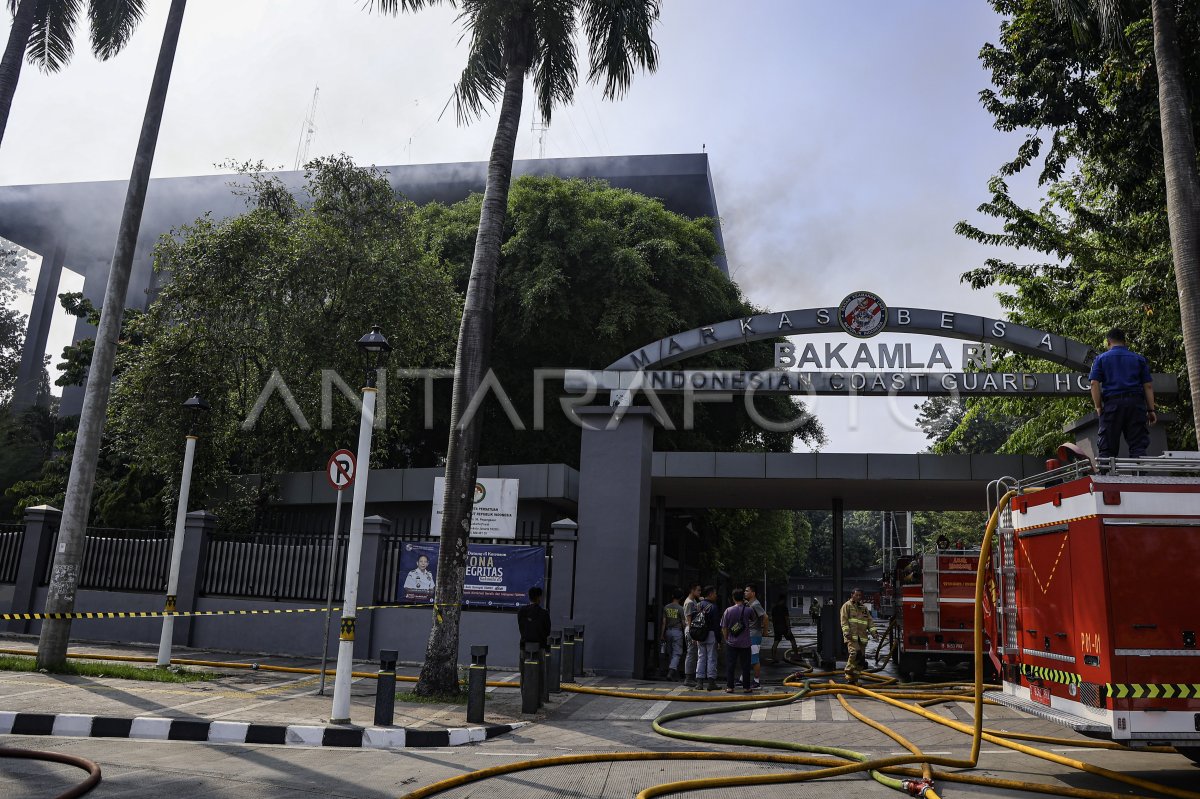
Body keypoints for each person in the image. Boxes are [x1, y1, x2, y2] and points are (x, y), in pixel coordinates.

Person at [1089, 328, 1157, 457]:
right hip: (1135, 405)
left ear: (1108, 342)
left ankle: (1107, 476)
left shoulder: (1101, 359)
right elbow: (1148, 386)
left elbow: (1094, 383)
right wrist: (1151, 410)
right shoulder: (1139, 359)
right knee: (1138, 446)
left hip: (1112, 405)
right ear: (1125, 342)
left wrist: (1098, 406)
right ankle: (1140, 476)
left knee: (1107, 447)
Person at [840, 588, 876, 685]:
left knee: (861, 660)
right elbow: (844, 621)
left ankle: (854, 678)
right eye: (857, 595)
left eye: (860, 595)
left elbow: (869, 621)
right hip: (851, 637)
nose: (858, 597)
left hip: (862, 638)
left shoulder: (864, 608)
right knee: (854, 653)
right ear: (852, 595)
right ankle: (848, 670)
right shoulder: (846, 606)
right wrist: (846, 632)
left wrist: (874, 633)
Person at [516, 586, 551, 684]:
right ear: (539, 597)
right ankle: (538, 697)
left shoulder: (521, 611)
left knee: (524, 674)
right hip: (540, 647)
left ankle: (525, 696)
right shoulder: (544, 614)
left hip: (524, 646)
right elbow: (547, 631)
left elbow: (521, 627)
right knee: (539, 675)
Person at [722, 589, 754, 694]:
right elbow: (753, 619)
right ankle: (746, 687)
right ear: (743, 598)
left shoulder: (728, 610)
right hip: (745, 642)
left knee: (731, 665)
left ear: (733, 598)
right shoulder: (748, 610)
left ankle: (730, 687)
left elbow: (724, 627)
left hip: (731, 642)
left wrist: (726, 638)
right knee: (746, 666)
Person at [691, 585, 721, 691]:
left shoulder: (697, 605)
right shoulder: (713, 607)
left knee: (701, 657)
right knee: (711, 658)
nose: (716, 595)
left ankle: (699, 683)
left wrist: (694, 636)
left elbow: (693, 621)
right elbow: (717, 625)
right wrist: (719, 640)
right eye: (715, 593)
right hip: (711, 634)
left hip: (699, 635)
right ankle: (711, 682)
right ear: (710, 594)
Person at [744, 583, 768, 688]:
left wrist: (765, 631)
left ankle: (757, 681)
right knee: (748, 658)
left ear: (753, 593)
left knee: (754, 658)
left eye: (747, 591)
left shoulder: (755, 604)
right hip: (750, 634)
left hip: (754, 635)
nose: (745, 592)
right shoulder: (749, 603)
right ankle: (742, 678)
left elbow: (765, 617)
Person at [659, 589, 685, 680]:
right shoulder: (680, 608)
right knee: (677, 653)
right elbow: (683, 623)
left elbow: (664, 622)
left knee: (670, 653)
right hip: (677, 632)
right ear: (681, 598)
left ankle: (673, 672)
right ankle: (671, 671)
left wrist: (662, 634)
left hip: (668, 631)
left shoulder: (666, 607)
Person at [681, 583, 702, 687]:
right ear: (692, 590)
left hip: (692, 629)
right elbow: (689, 619)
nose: (699, 592)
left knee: (693, 654)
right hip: (691, 630)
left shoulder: (693, 601)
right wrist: (692, 634)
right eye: (698, 590)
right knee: (691, 653)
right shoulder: (689, 602)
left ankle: (690, 677)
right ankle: (688, 678)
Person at [769, 594, 797, 662]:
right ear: (783, 600)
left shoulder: (774, 608)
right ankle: (796, 656)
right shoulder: (784, 608)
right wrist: (789, 629)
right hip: (784, 627)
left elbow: (772, 619)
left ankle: (773, 657)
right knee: (792, 641)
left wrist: (775, 627)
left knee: (776, 642)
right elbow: (787, 619)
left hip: (777, 628)